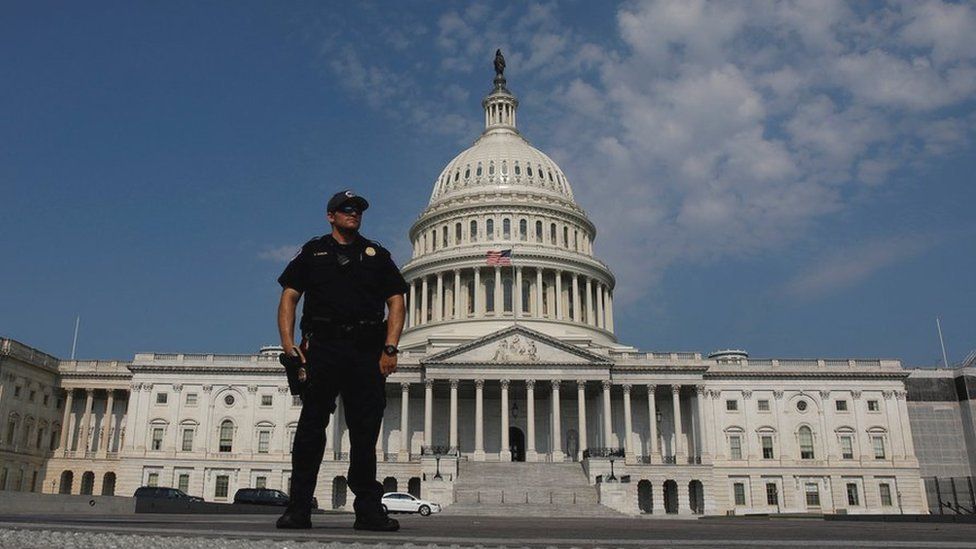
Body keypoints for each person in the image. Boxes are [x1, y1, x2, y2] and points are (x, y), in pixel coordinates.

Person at [275, 189, 407, 531]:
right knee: (310, 430)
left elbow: (396, 299)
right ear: (331, 216)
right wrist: (290, 346)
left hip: (365, 351)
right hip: (323, 348)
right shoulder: (313, 252)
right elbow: (290, 297)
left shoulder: (376, 255)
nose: (353, 213)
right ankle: (299, 507)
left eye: (358, 209)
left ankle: (367, 509)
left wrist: (390, 347)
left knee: (365, 434)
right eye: (345, 209)